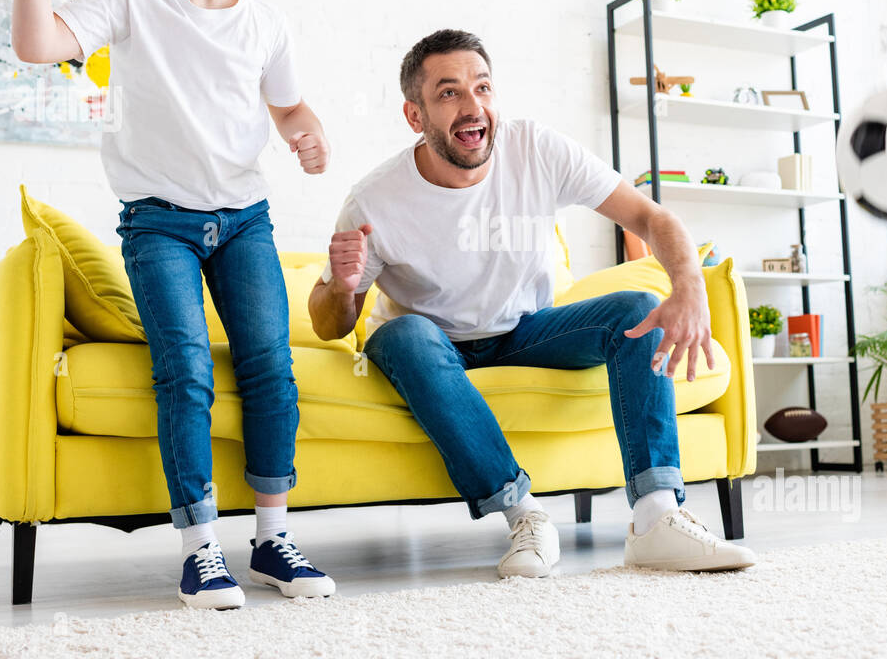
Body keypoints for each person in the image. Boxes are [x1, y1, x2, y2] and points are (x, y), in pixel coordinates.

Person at [12, 0, 335, 608]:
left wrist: (307, 132)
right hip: (159, 223)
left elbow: (288, 106)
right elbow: (36, 44)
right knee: (185, 365)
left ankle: (271, 539)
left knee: (269, 364)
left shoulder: (265, 23)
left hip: (246, 218)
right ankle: (199, 547)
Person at [308, 29, 757, 578]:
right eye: (449, 93)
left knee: (639, 306)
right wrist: (341, 286)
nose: (473, 107)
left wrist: (689, 285)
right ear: (414, 115)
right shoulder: (375, 198)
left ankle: (658, 518)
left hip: (524, 334)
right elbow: (330, 324)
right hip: (430, 346)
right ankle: (524, 515)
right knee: (403, 333)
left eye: (483, 87)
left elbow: (650, 218)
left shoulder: (537, 149)